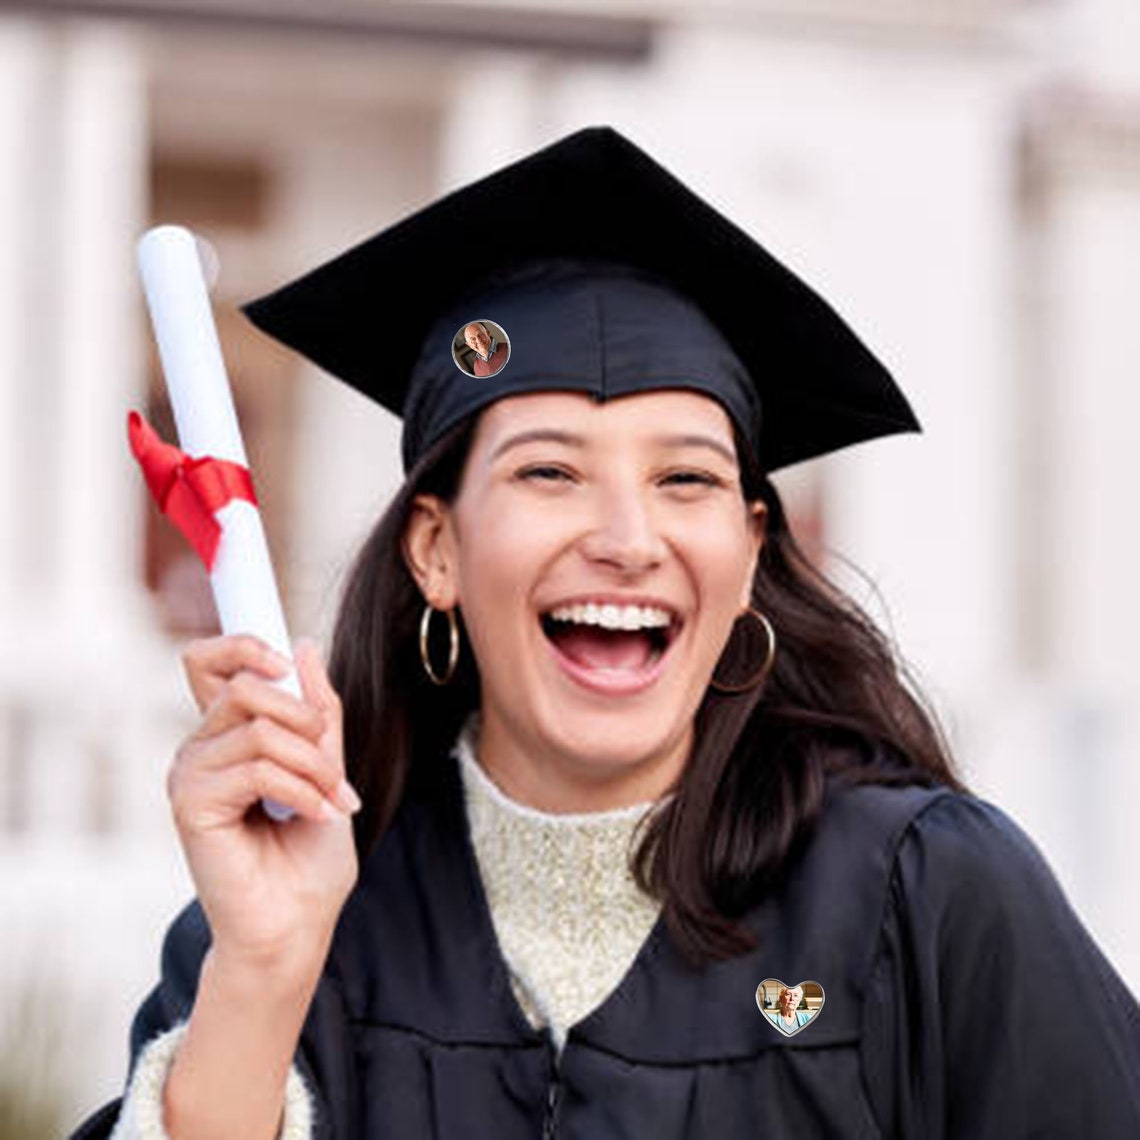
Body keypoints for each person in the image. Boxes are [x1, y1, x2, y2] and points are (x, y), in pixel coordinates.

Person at [72, 127, 1140, 1140]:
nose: (629, 539)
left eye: (686, 479)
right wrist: (263, 973)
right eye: (550, 472)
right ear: (435, 550)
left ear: (750, 553)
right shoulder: (307, 906)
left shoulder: (924, 894)